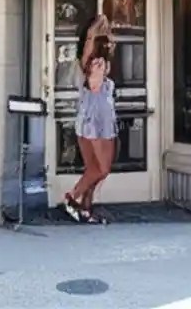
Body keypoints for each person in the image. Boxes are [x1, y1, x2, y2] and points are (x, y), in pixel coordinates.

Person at [63, 16, 117, 224]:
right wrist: (95, 31)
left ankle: (86, 207)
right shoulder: (92, 61)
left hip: (90, 119)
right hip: (98, 121)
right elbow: (94, 85)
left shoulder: (96, 59)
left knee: (93, 168)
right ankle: (72, 197)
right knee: (102, 168)